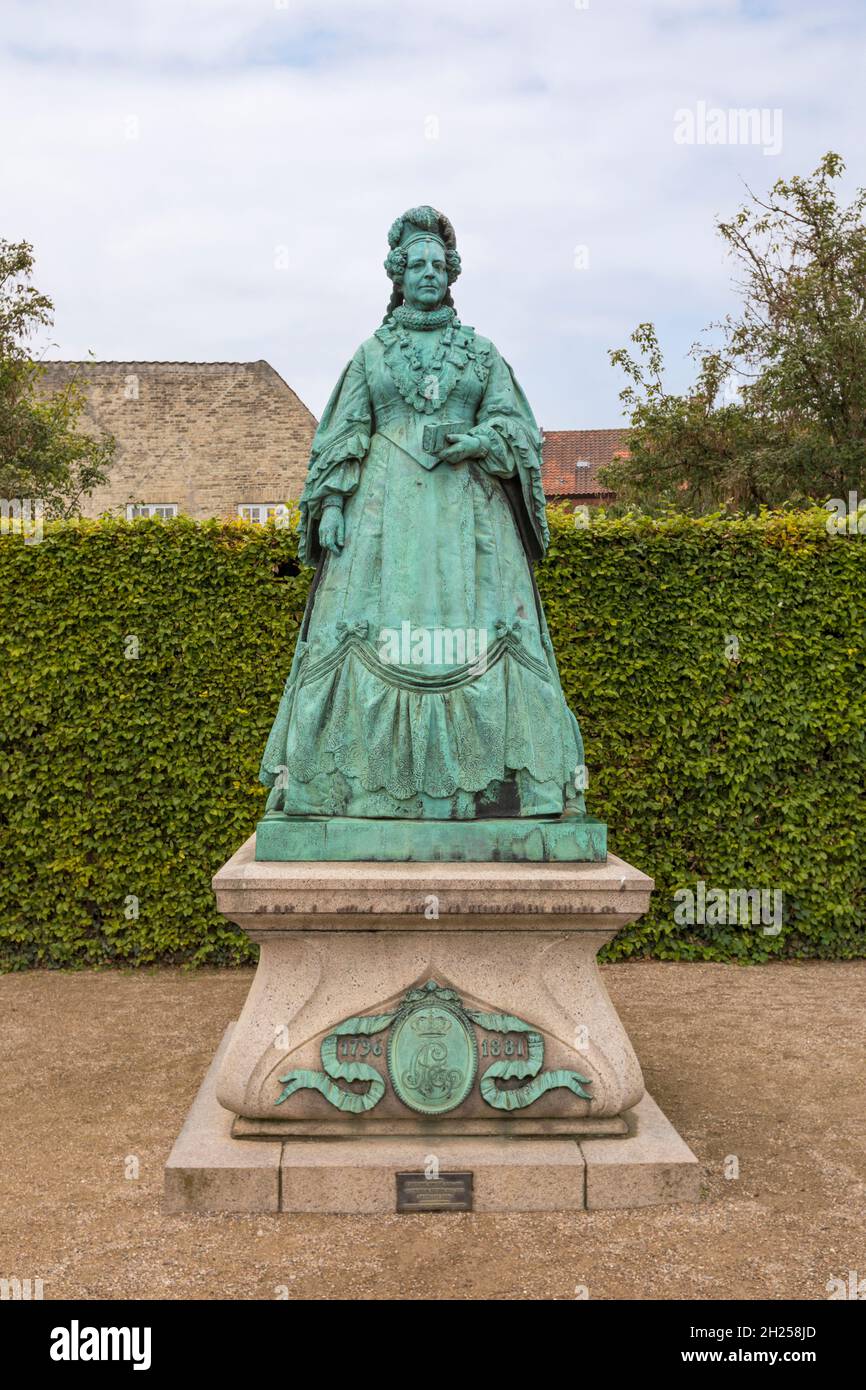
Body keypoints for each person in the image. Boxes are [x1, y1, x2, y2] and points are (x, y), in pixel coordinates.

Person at [260, 205, 586, 820]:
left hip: (472, 528)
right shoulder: (371, 354)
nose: (429, 272)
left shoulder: (483, 354)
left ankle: (500, 789)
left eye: (439, 263)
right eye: (417, 264)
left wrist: (480, 440)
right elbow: (343, 432)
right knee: (356, 636)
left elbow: (519, 429)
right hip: (380, 528)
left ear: (452, 273)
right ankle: (343, 788)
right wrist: (331, 504)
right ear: (398, 274)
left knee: (492, 640)